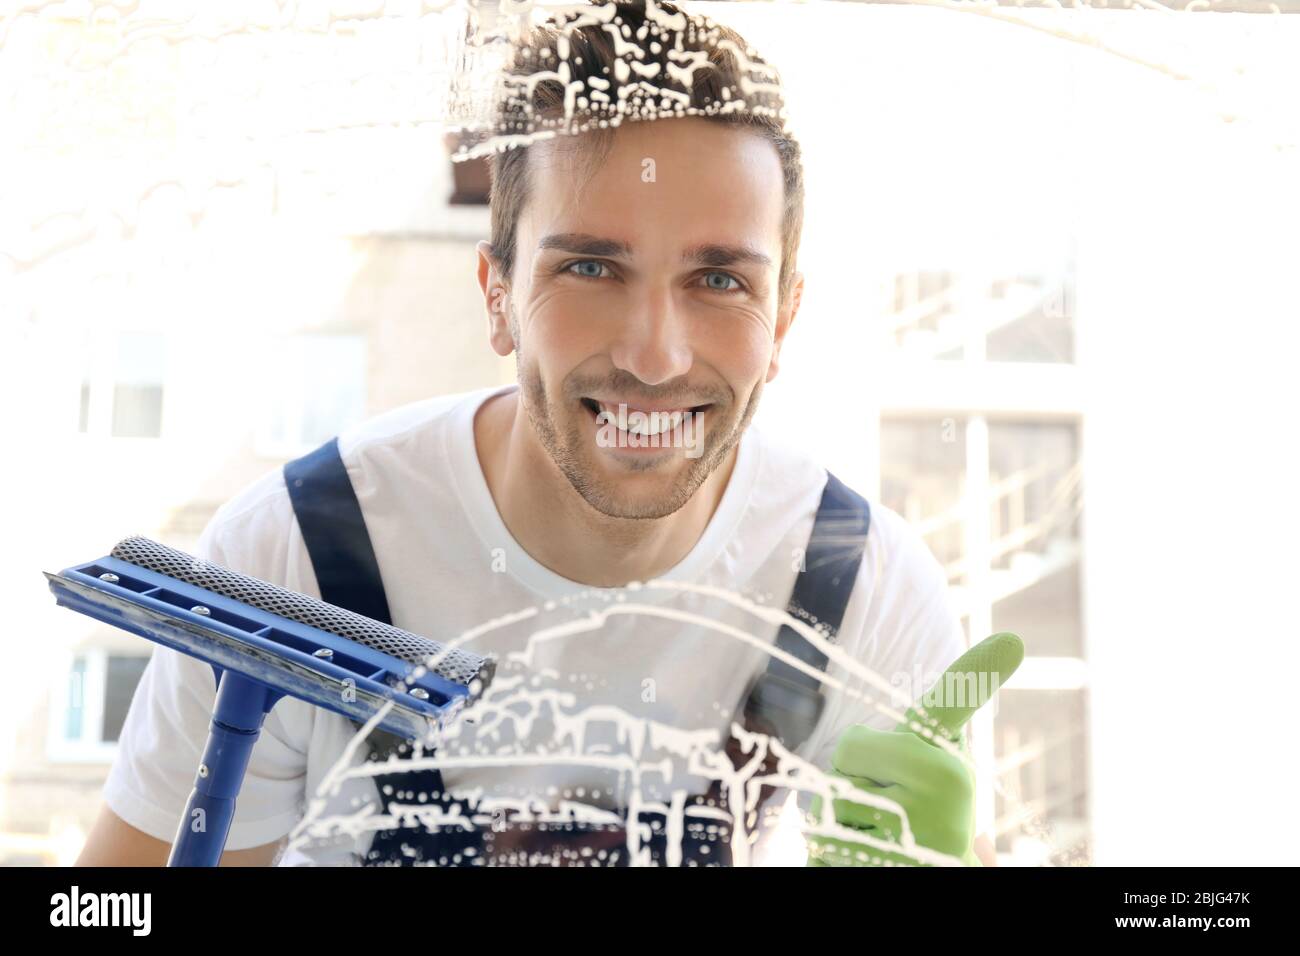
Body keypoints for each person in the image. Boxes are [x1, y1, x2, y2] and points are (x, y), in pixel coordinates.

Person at [76, 0, 996, 867]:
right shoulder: (291, 559)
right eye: (592, 267)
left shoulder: (856, 586)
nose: (656, 356)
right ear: (498, 296)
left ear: (783, 321)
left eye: (719, 280)